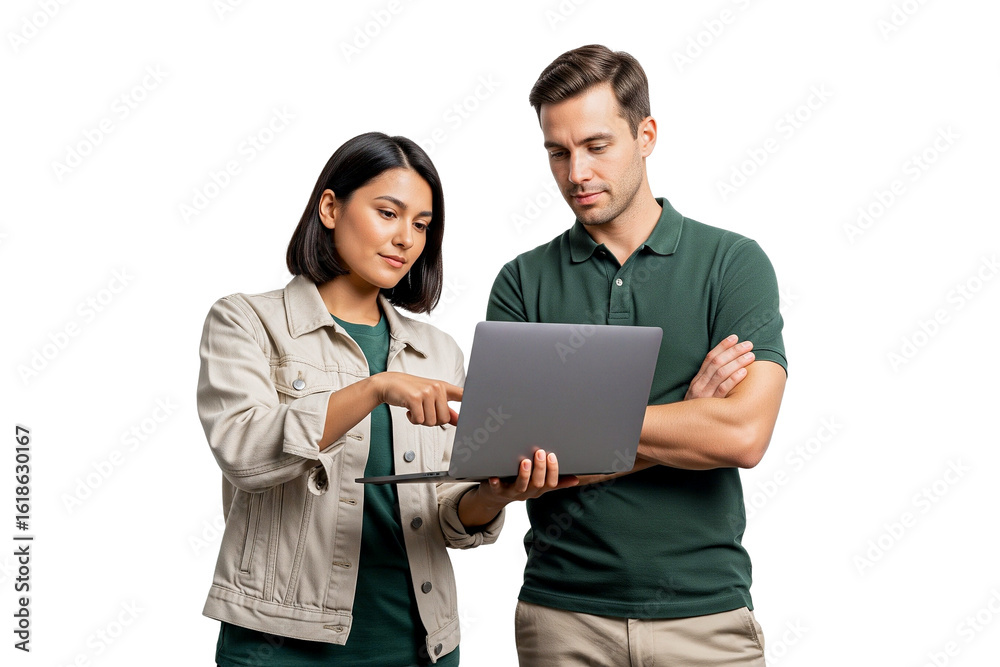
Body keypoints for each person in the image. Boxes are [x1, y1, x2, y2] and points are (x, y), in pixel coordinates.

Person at [195, 131, 571, 667]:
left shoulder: (436, 351)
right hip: (278, 644)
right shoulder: (247, 321)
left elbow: (446, 517)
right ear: (330, 207)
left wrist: (495, 494)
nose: (405, 239)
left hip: (418, 642)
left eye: (421, 225)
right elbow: (245, 453)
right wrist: (375, 388)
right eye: (388, 213)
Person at [487, 45, 788, 666]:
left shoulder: (733, 264)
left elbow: (743, 436)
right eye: (557, 151)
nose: (576, 173)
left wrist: (576, 424)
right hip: (561, 617)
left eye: (597, 146)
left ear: (645, 135)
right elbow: (512, 451)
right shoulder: (521, 282)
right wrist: (685, 413)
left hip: (706, 615)